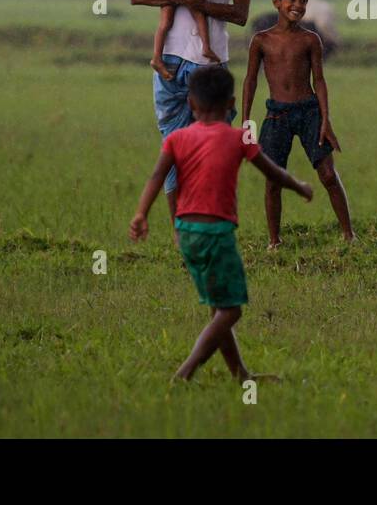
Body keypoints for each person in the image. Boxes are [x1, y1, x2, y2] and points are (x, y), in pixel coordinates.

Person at [129, 65, 313, 381]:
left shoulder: (177, 138)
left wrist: (141, 214)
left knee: (218, 308)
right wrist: (300, 186)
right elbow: (272, 172)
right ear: (231, 105)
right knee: (231, 310)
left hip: (186, 233)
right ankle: (185, 372)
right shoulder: (239, 138)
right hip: (217, 234)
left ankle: (241, 375)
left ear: (191, 103)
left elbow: (158, 176)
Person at [130, 0, 254, 222]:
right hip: (172, 59)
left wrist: (199, 1)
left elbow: (240, 14)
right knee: (173, 145)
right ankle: (179, 230)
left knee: (215, 150)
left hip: (209, 65)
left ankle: (211, 219)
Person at [242, 0, 355, 248]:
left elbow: (319, 80)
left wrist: (325, 120)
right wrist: (245, 122)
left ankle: (349, 235)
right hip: (276, 114)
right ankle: (274, 240)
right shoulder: (261, 40)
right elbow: (251, 81)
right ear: (276, 2)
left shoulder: (311, 40)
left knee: (328, 173)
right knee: (273, 179)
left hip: (309, 111)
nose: (298, 6)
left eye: (303, 1)